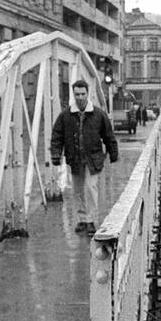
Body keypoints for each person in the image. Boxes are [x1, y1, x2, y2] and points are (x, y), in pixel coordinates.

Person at [50, 78, 118, 235]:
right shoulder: (65, 116)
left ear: (88, 94)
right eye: (77, 94)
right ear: (73, 95)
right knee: (78, 190)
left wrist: (113, 152)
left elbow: (108, 134)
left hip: (93, 158)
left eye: (82, 94)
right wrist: (56, 154)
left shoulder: (98, 114)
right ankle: (81, 220)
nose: (80, 97)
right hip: (74, 159)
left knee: (90, 187)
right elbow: (57, 136)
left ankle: (91, 220)